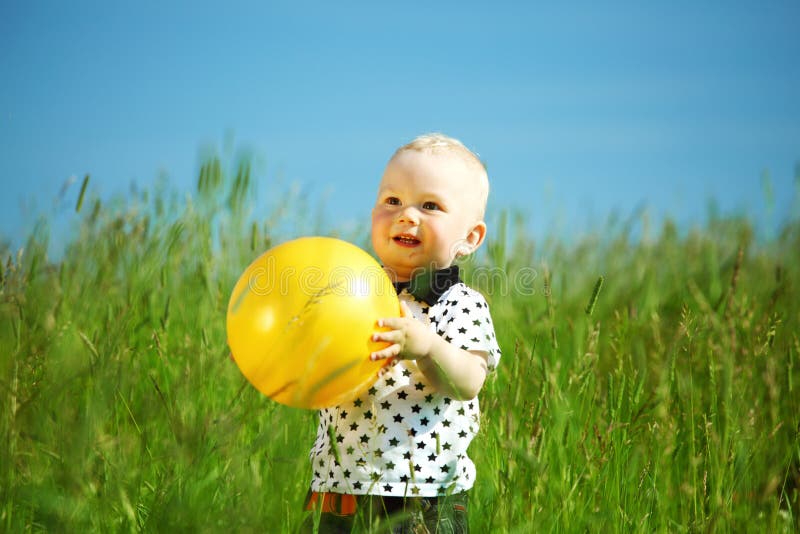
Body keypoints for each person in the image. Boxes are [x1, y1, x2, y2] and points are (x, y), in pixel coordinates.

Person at [304, 133, 501, 533]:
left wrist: (427, 347)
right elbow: (312, 363)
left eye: (430, 205)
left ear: (470, 238)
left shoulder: (461, 304)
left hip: (422, 496)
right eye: (392, 200)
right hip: (335, 487)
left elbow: (468, 382)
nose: (407, 215)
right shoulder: (345, 297)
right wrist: (273, 354)